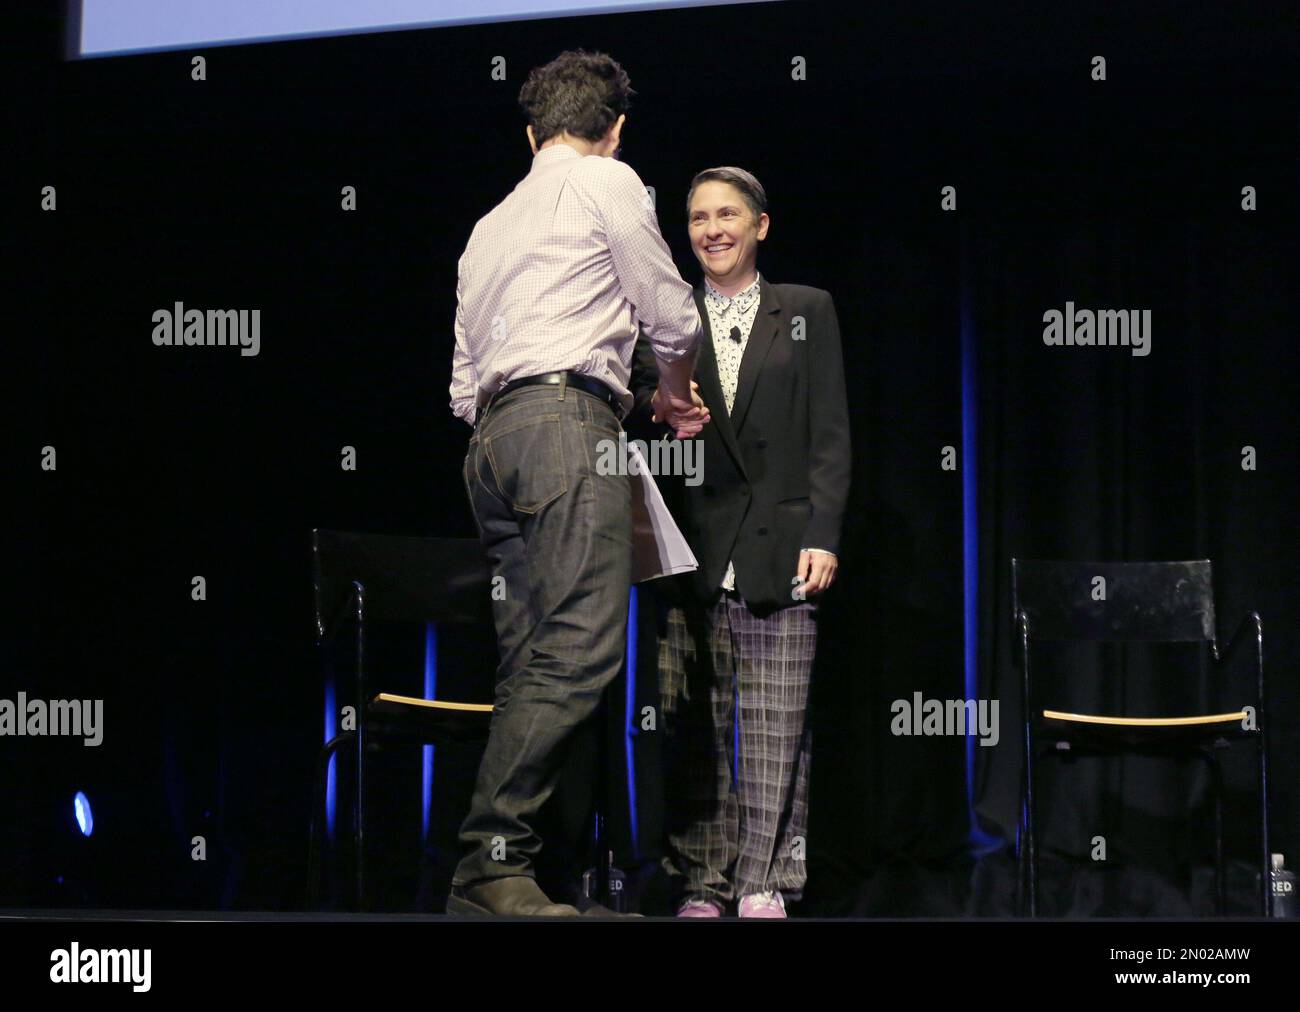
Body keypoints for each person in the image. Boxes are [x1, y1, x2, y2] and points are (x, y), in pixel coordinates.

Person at [446, 50, 707, 916]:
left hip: (491, 446)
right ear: (615, 129)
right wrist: (670, 395)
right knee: (583, 647)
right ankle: (488, 861)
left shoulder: (488, 224)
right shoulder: (610, 183)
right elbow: (670, 312)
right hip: (565, 431)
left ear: (532, 132)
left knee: (530, 660)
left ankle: (510, 873)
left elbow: (460, 383)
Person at [629, 166, 850, 917]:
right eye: (697, 218)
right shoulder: (666, 316)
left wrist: (823, 532)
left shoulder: (807, 311)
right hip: (688, 549)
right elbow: (632, 407)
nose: (712, 229)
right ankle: (702, 882)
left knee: (777, 726)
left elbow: (830, 434)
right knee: (692, 729)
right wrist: (655, 403)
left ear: (760, 225)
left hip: (781, 547)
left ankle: (765, 881)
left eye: (727, 215)